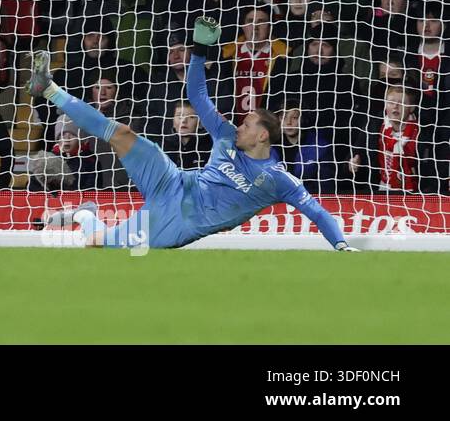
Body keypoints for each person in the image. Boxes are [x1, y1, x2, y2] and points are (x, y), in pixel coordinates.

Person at [32, 17, 355, 250]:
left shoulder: (277, 178)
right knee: (122, 133)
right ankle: (49, 89)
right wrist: (199, 50)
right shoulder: (226, 135)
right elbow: (198, 96)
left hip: (179, 223)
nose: (239, 125)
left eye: (247, 125)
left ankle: (87, 217)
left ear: (262, 137)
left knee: (96, 244)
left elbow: (316, 211)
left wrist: (341, 245)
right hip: (173, 181)